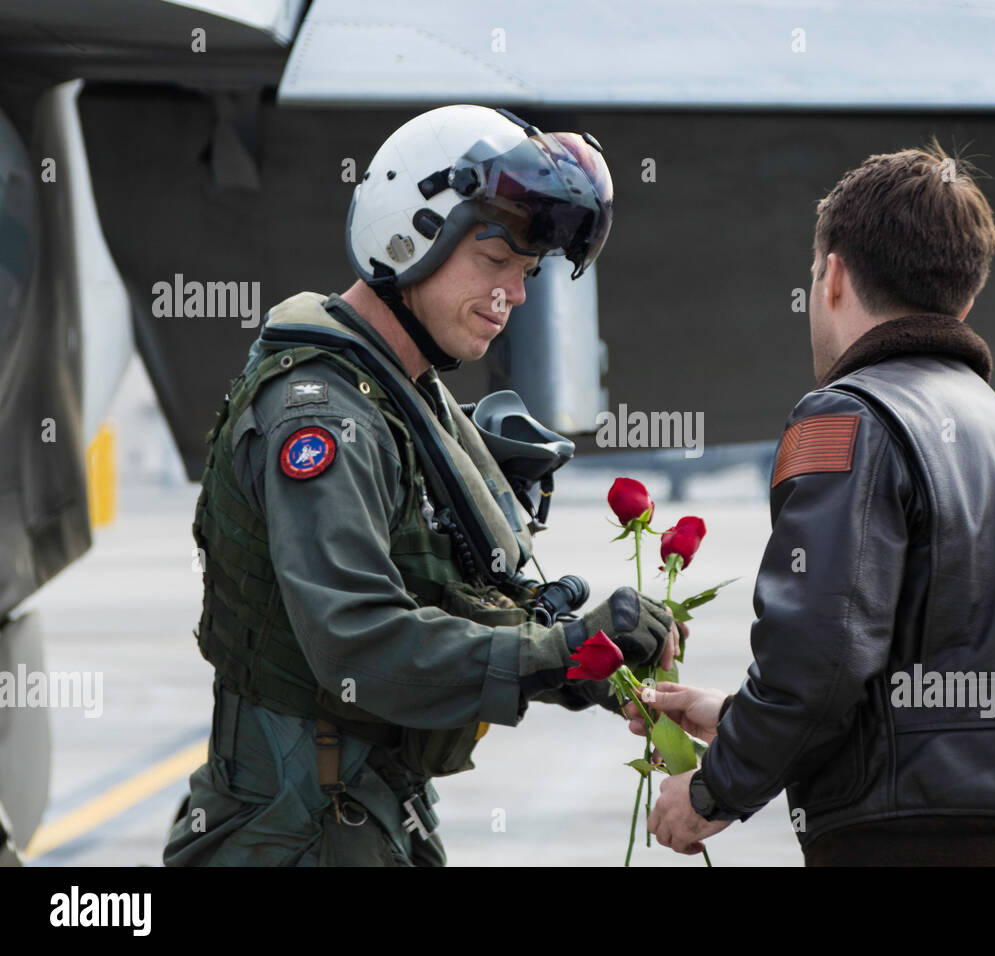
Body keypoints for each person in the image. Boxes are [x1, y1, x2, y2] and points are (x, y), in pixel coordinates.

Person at [164, 104, 680, 867]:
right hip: (300, 829)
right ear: (408, 236)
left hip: (366, 805)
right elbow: (362, 647)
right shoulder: (327, 423)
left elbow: (438, 598)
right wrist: (561, 655)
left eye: (528, 272)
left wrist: (589, 663)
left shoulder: (402, 392)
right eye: (495, 259)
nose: (517, 294)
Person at [627, 144, 995, 866]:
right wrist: (735, 719)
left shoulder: (847, 418)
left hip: (906, 844)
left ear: (835, 277)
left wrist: (713, 791)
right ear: (966, 298)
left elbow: (821, 655)